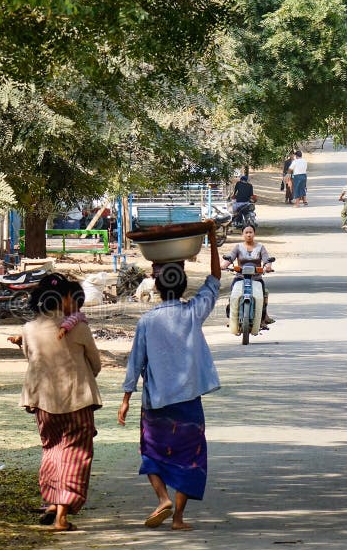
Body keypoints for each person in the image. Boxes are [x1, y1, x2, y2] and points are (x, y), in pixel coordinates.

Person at [118, 222, 221, 531]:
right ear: (183, 285)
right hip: (188, 401)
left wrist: (125, 400)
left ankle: (161, 497)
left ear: (158, 288)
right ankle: (177, 517)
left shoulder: (147, 321)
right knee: (190, 457)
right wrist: (213, 238)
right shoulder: (194, 312)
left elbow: (135, 363)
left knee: (151, 453)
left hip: (156, 402)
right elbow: (215, 278)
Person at [19, 274, 102, 531]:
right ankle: (62, 516)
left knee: (52, 449)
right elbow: (95, 364)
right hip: (77, 401)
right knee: (76, 454)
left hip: (43, 402)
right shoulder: (78, 328)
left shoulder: (28, 329)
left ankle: (53, 501)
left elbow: (30, 358)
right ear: (64, 299)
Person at [220, 225, 275, 327]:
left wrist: (268, 266)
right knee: (233, 296)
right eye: (246, 232)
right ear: (242, 234)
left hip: (256, 278)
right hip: (240, 277)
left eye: (251, 232)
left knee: (263, 296)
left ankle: (263, 318)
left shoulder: (260, 247)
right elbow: (230, 258)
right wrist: (223, 265)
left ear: (254, 234)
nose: (249, 234)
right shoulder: (238, 247)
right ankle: (232, 318)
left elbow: (266, 259)